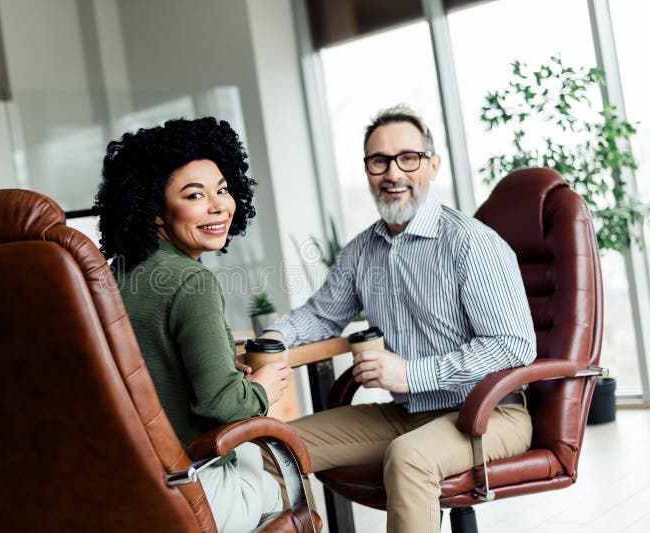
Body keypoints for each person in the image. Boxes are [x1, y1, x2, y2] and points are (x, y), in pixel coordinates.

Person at [257, 105, 536, 533]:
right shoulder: (361, 251)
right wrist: (276, 336)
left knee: (409, 457)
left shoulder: (470, 243)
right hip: (407, 414)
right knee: (275, 449)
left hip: (490, 414)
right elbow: (320, 314)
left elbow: (513, 346)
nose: (393, 172)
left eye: (408, 158)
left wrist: (411, 373)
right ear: (367, 170)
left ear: (432, 164)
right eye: (379, 161)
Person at [94, 117, 292, 533]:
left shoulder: (113, 275)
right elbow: (220, 404)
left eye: (222, 189)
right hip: (193, 490)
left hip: (125, 490)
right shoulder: (190, 280)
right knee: (289, 483)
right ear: (155, 212)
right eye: (194, 195)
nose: (219, 205)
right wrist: (262, 390)